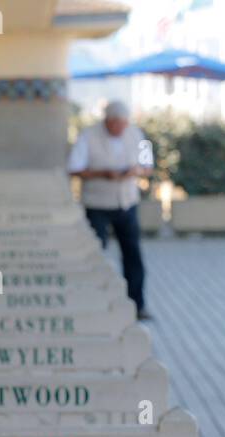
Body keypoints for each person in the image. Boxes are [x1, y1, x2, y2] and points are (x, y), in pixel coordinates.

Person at [68, 100, 152, 320]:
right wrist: (103, 174)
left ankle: (137, 304)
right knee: (96, 253)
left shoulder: (136, 134)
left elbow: (147, 166)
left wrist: (135, 171)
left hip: (126, 202)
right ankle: (93, 302)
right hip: (97, 204)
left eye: (123, 123)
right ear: (107, 121)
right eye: (115, 123)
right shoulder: (88, 136)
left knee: (132, 253)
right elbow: (75, 168)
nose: (120, 128)